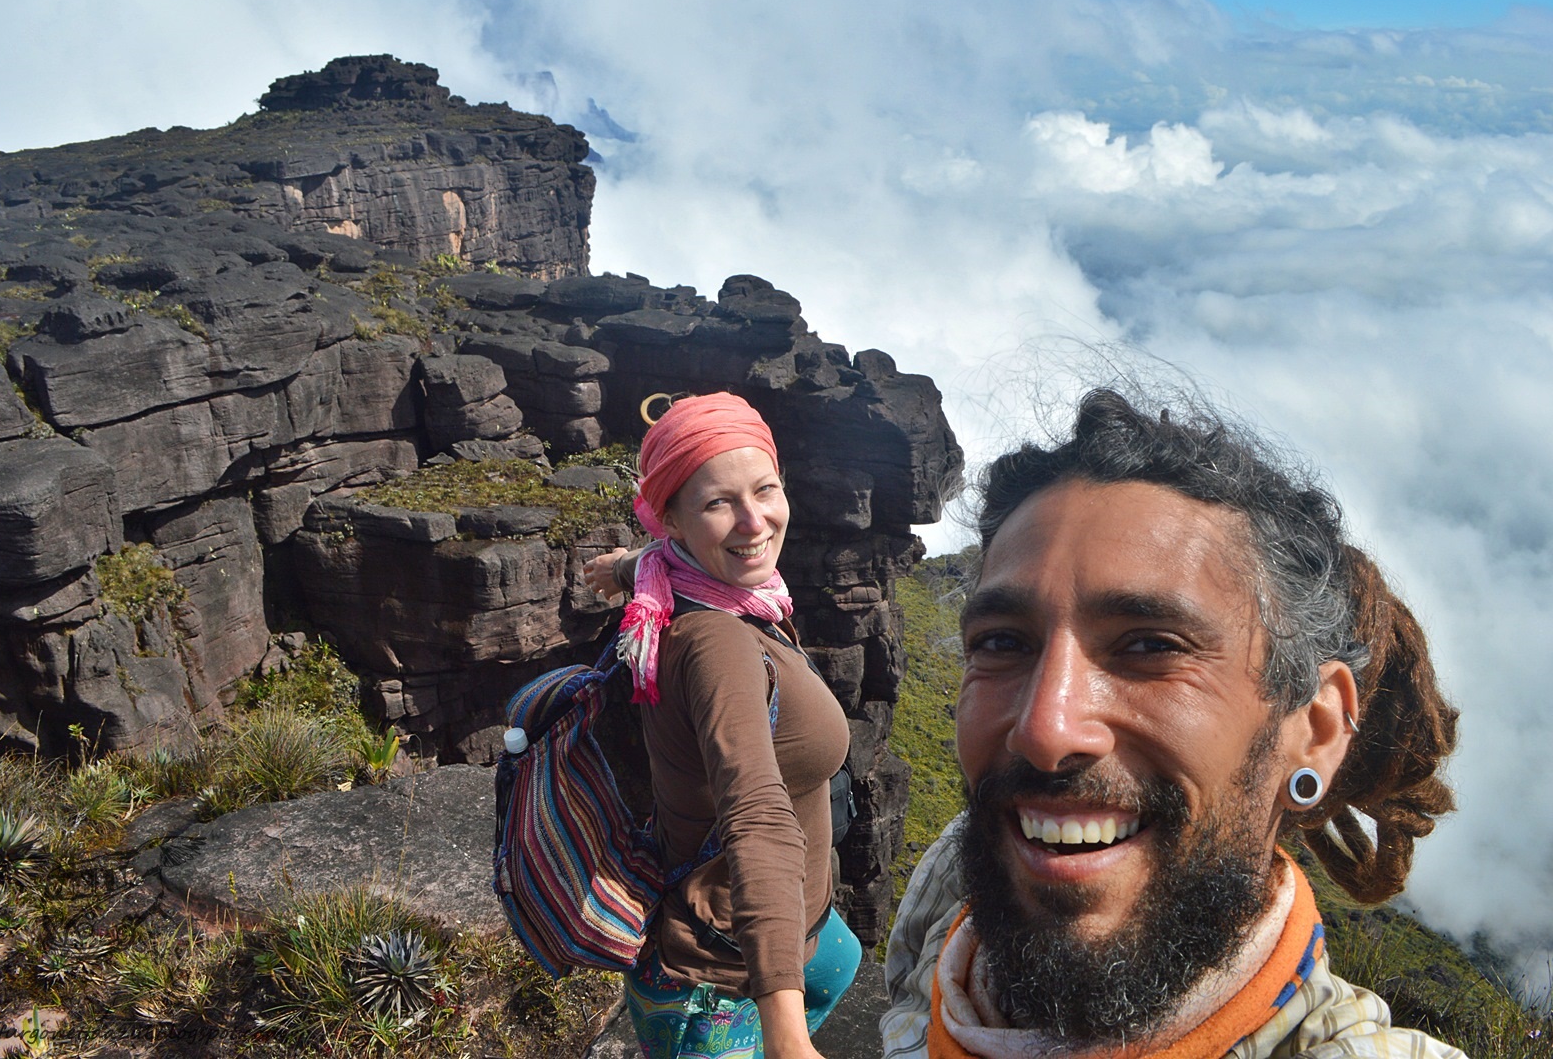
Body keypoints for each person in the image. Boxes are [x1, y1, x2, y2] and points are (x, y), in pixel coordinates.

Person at [880, 388, 1467, 1058]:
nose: (1046, 729)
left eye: (1151, 645)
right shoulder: (957, 882)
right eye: (1003, 642)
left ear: (1318, 728)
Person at [582, 391, 860, 1059]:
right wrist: (789, 1040)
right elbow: (757, 815)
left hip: (806, 928)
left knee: (843, 960)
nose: (753, 521)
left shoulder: (697, 579)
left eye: (765, 490)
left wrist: (623, 567)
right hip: (723, 978)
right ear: (672, 519)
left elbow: (678, 552)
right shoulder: (719, 644)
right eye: (717, 504)